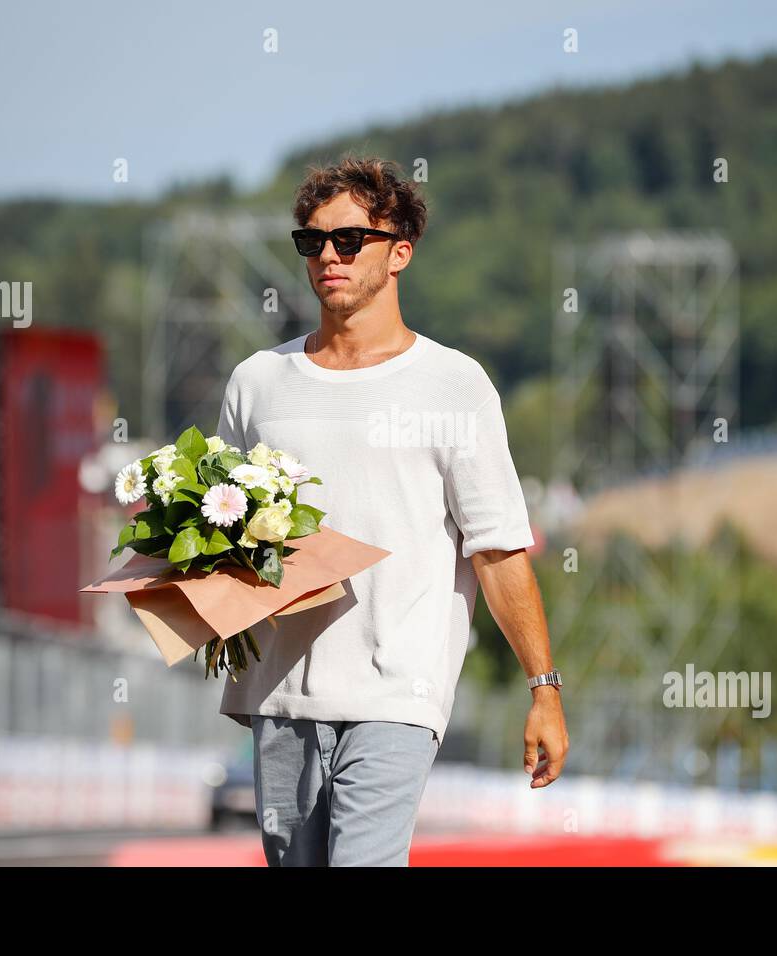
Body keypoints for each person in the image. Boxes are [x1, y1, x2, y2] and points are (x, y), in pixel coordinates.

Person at [214, 154, 568, 866]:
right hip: (279, 698)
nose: (328, 257)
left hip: (396, 695)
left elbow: (497, 551)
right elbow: (218, 530)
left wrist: (544, 689)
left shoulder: (453, 385)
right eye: (311, 242)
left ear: (399, 251)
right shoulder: (257, 384)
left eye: (350, 241)